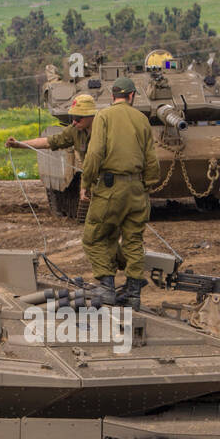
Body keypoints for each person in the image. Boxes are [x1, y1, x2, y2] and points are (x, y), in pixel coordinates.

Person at [79, 76, 159, 308]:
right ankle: (133, 293)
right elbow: (151, 158)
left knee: (94, 237)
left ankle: (106, 287)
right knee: (134, 240)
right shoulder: (142, 119)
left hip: (110, 188)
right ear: (132, 96)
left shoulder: (104, 116)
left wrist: (86, 182)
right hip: (137, 189)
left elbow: (94, 154)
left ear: (113, 96)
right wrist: (147, 185)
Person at [5, 94, 96, 157]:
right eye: (72, 117)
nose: (74, 122)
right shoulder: (74, 130)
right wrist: (19, 144)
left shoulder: (105, 129)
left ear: (91, 115)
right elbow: (48, 142)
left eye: (78, 118)